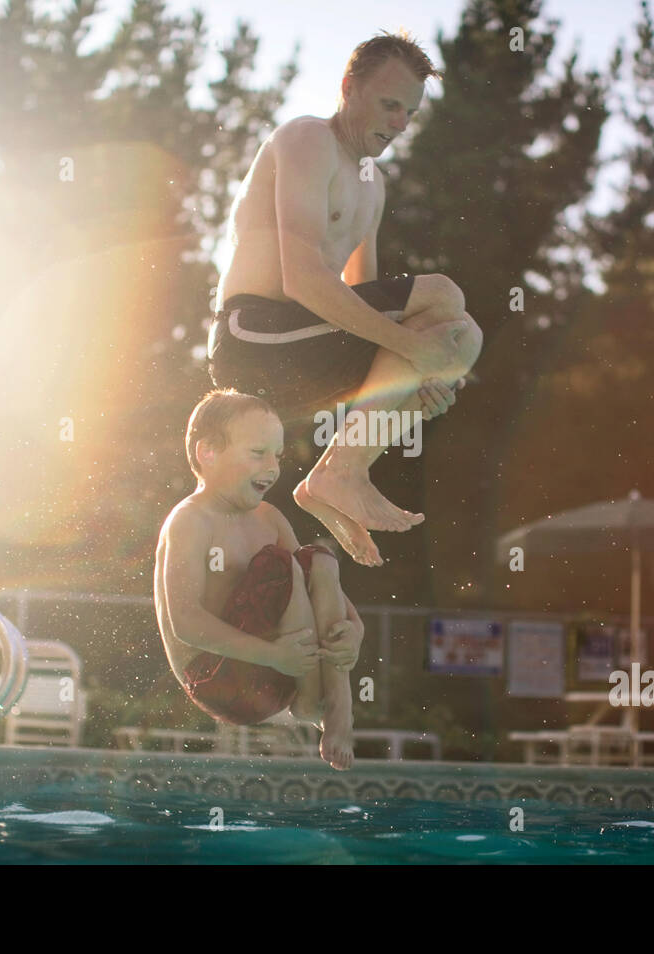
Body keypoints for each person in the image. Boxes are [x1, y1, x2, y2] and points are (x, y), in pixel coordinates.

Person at [207, 29, 483, 566]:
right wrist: (412, 348)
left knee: (457, 336)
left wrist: (418, 377)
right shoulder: (308, 140)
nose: (400, 123)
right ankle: (343, 471)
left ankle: (331, 477)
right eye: (389, 104)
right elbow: (305, 281)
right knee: (443, 299)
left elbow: (363, 306)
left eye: (409, 112)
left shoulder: (372, 184)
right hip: (253, 337)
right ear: (349, 88)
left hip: (302, 348)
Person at [154, 388, 364, 770]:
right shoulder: (190, 521)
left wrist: (356, 631)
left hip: (285, 670)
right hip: (220, 677)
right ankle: (313, 694)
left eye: (277, 456)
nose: (273, 466)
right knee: (279, 565)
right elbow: (184, 622)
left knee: (320, 560)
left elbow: (320, 584)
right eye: (257, 453)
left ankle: (332, 704)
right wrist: (273, 656)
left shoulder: (270, 518)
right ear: (208, 453)